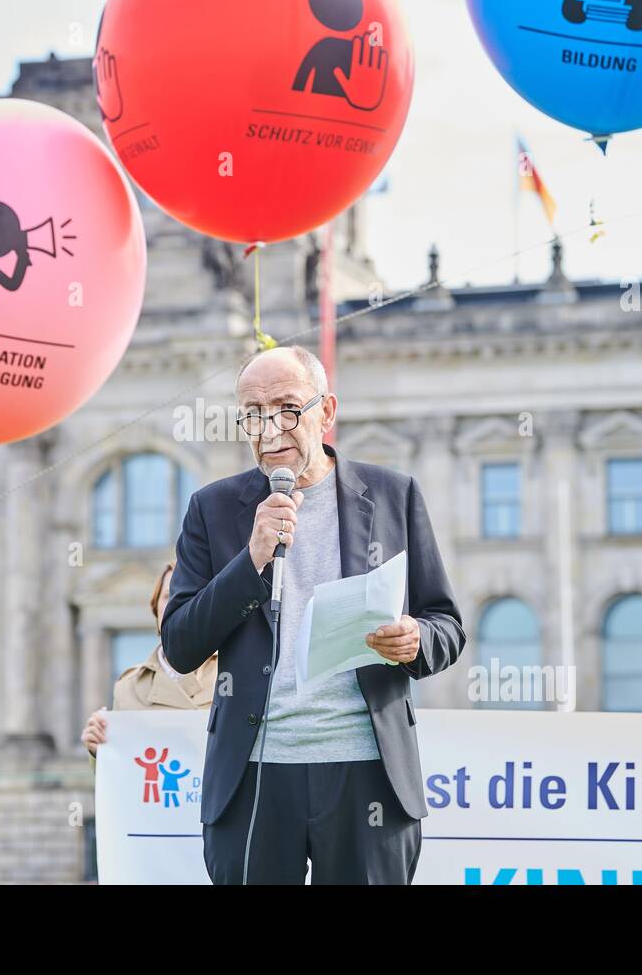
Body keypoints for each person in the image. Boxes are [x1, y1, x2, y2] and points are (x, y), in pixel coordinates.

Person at [161, 345, 466, 885]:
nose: (270, 427)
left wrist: (415, 639)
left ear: (325, 413)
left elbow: (448, 625)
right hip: (254, 778)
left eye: (286, 408)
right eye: (253, 413)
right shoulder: (212, 509)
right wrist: (250, 558)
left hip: (367, 774)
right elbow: (180, 646)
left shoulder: (395, 495)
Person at [80, 560, 218, 762]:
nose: (176, 604)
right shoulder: (127, 686)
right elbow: (124, 773)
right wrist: (98, 749)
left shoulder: (236, 675)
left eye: (190, 595)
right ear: (156, 610)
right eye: (168, 596)